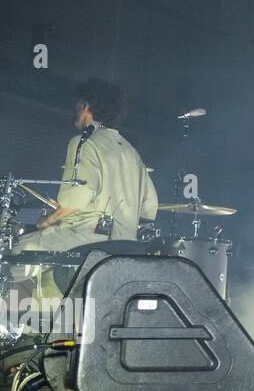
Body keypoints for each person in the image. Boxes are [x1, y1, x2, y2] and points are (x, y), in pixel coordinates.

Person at [12, 78, 159, 300]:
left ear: (85, 106)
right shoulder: (131, 151)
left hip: (85, 239)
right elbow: (150, 208)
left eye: (77, 103)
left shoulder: (84, 142)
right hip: (125, 245)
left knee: (13, 252)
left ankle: (14, 326)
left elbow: (77, 198)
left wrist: (48, 220)